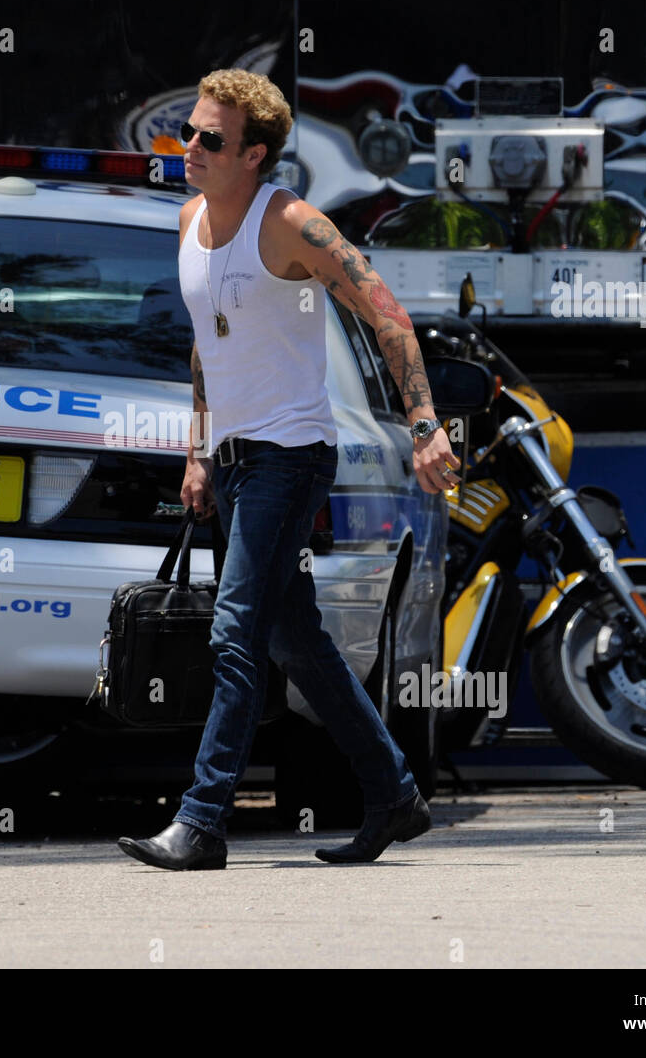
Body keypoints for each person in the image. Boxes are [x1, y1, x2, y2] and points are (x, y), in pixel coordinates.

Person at [117, 69, 460, 870]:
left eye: (209, 138)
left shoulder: (295, 227)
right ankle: (394, 793)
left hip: (290, 457)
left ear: (254, 154)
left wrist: (425, 428)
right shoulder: (187, 220)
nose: (189, 147)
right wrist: (197, 451)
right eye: (188, 131)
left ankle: (201, 821)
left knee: (236, 633)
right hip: (233, 462)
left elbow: (388, 314)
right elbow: (205, 341)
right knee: (296, 642)